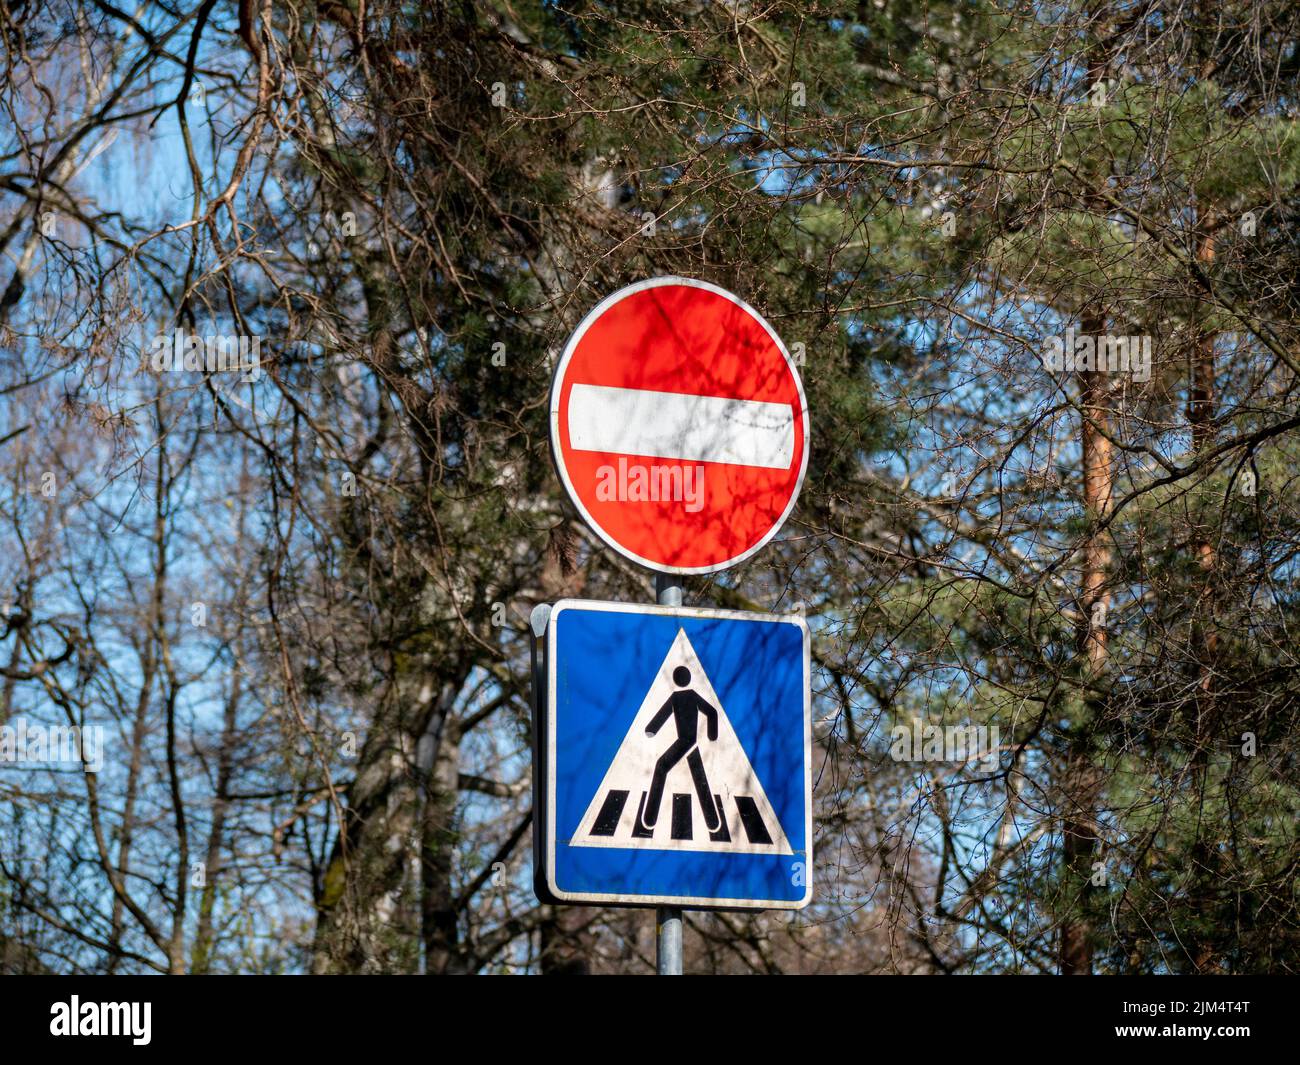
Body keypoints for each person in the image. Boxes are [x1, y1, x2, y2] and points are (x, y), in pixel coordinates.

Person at [639, 666, 722, 832]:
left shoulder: (678, 697)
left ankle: (650, 816)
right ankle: (712, 821)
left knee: (661, 766)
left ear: (676, 680)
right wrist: (711, 735)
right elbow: (712, 713)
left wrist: (651, 730)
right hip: (690, 743)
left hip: (685, 742)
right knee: (699, 778)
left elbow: (711, 712)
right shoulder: (686, 696)